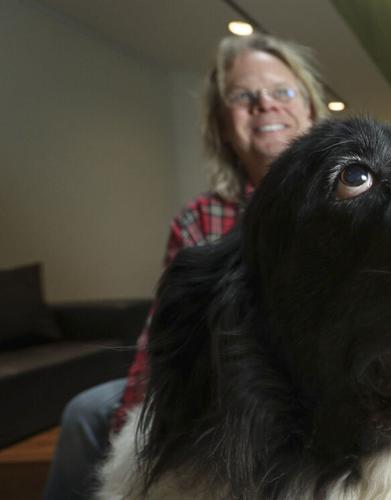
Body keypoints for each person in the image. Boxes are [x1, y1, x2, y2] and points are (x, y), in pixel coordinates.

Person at [43, 33, 329, 500]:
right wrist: (138, 439)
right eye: (243, 97)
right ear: (223, 124)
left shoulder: (354, 204)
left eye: (282, 91)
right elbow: (166, 337)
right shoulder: (199, 219)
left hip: (309, 386)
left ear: (310, 109)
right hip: (216, 383)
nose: (265, 106)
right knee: (85, 412)